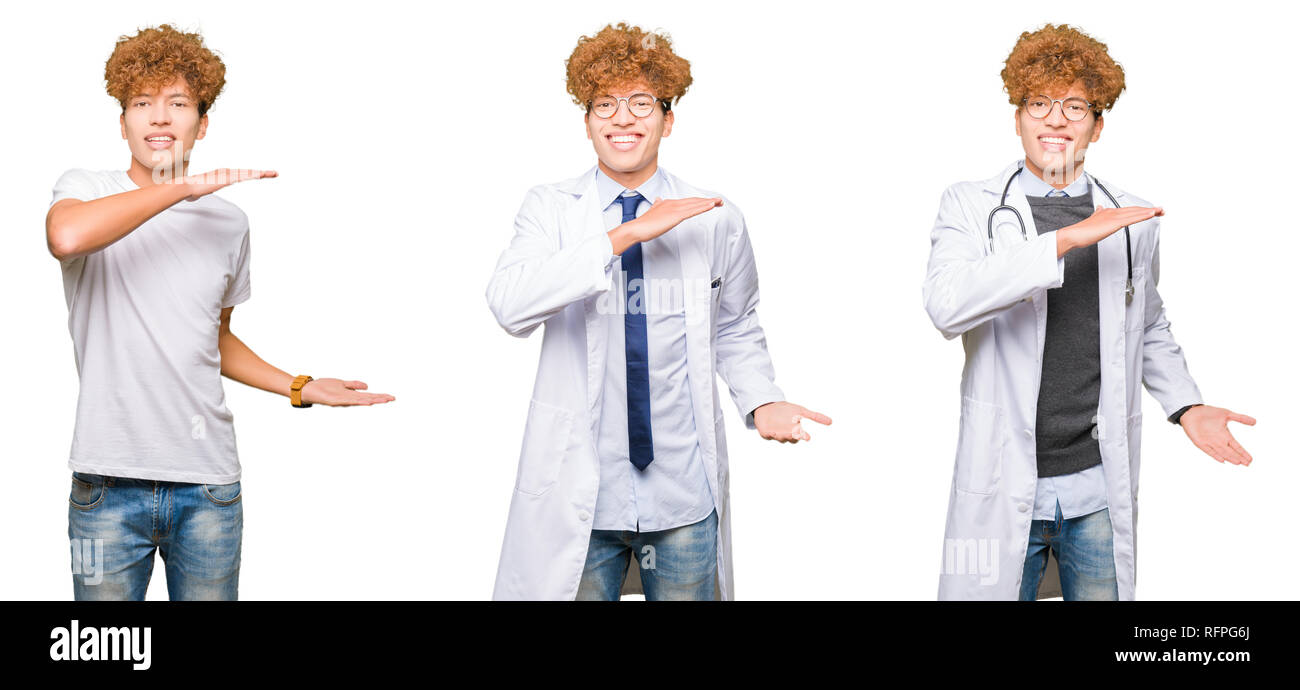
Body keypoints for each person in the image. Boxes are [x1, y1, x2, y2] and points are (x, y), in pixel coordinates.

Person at [48, 24, 395, 601]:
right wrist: (180, 189)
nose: (159, 118)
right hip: (105, 488)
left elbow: (213, 337)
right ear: (123, 122)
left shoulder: (228, 222)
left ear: (201, 124)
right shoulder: (85, 188)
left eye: (177, 104)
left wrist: (300, 386)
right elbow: (66, 237)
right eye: (142, 104)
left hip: (208, 489)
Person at [486, 23, 830, 600]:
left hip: (681, 494)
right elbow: (510, 305)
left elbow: (736, 324)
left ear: (668, 119)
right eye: (605, 104)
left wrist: (762, 398)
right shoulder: (549, 210)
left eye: (641, 103)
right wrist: (623, 236)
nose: (623, 118)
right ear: (588, 121)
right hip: (581, 494)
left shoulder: (715, 216)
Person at [922, 23, 1255, 601]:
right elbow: (946, 305)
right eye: (1039, 102)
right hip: (1000, 479)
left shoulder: (1130, 216)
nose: (1056, 119)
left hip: (1096, 487)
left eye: (1075, 105)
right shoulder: (970, 204)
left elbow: (1147, 322)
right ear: (1019, 115)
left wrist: (1186, 405)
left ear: (1097, 125)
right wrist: (1064, 241)